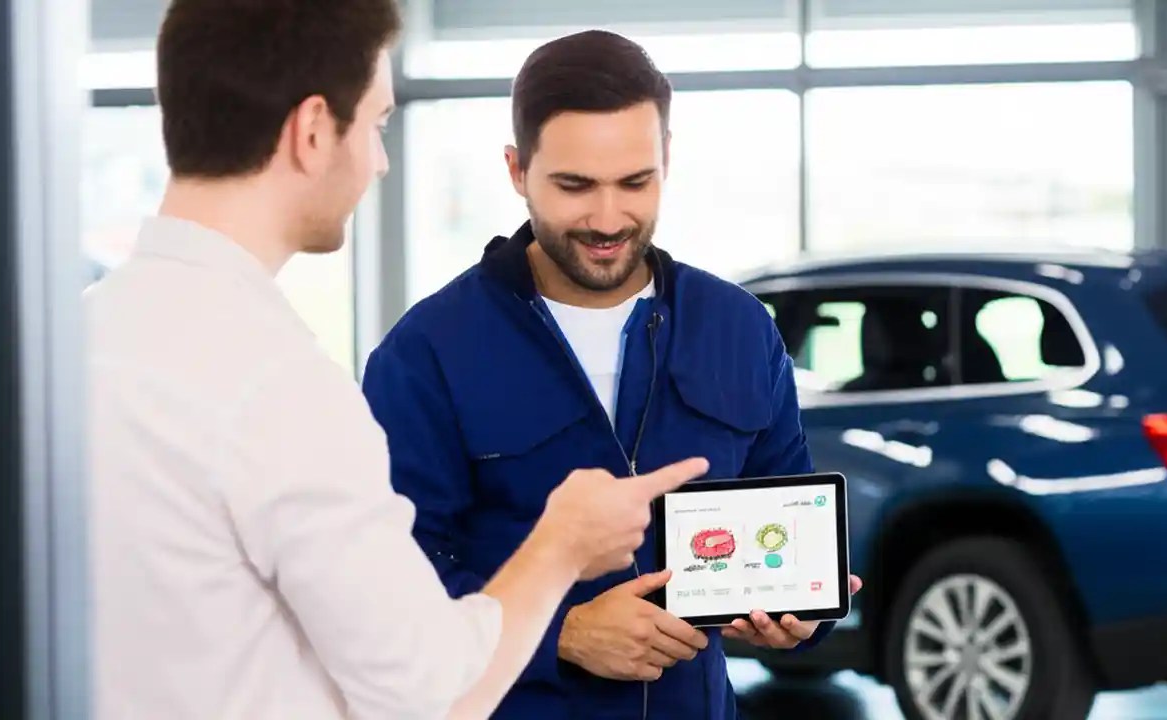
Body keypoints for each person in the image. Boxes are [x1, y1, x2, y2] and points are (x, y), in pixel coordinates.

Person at [85, 3, 709, 720]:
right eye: (377, 125)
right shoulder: (279, 385)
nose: (379, 162)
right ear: (313, 131)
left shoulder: (76, 340)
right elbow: (427, 698)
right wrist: (561, 548)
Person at [361, 29, 863, 720]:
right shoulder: (427, 353)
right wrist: (560, 635)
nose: (607, 218)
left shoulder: (740, 329)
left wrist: (804, 614)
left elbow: (787, 520)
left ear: (667, 160)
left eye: (635, 182)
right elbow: (386, 589)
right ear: (517, 170)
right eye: (575, 186)